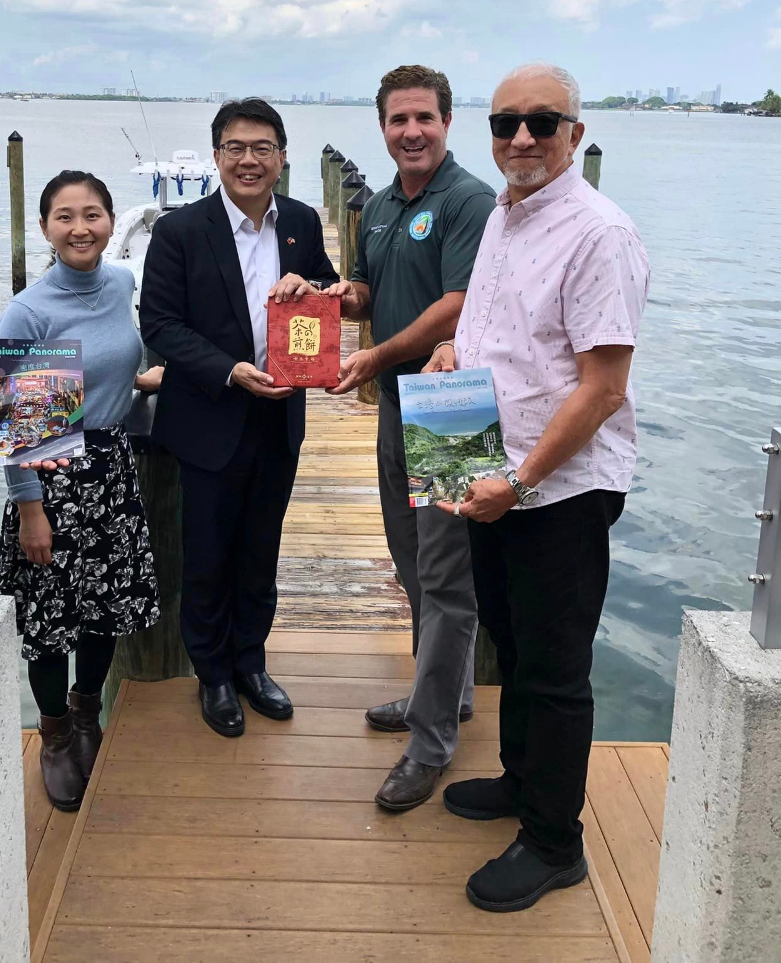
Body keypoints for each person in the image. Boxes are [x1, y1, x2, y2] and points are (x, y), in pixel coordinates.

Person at [431, 62, 649, 913]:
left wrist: (518, 482)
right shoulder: (504, 211)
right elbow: (503, 331)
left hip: (554, 493)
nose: (521, 137)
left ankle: (557, 843)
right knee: (514, 647)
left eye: (542, 123)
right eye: (506, 122)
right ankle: (524, 783)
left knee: (556, 671)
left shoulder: (600, 233)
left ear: (575, 135)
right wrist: (456, 352)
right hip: (491, 475)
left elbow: (602, 387)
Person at [138, 99, 338, 738]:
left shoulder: (302, 223)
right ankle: (213, 674)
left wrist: (312, 292)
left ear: (282, 156)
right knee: (206, 553)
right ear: (218, 155)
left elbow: (329, 295)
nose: (249, 160)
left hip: (279, 418)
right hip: (209, 416)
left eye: (262, 148)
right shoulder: (180, 231)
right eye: (235, 148)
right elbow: (161, 325)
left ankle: (251, 661)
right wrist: (229, 369)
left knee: (260, 549)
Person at [325, 65, 495, 811]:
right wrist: (337, 297)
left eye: (423, 117)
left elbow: (456, 307)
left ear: (447, 123)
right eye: (398, 120)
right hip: (396, 405)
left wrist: (375, 353)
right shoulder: (387, 204)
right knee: (409, 560)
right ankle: (445, 693)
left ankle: (430, 744)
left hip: (455, 405)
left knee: (448, 579)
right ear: (384, 128)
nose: (411, 132)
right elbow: (366, 289)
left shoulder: (470, 202)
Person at [0, 170, 161, 811]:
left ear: (111, 222)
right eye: (64, 216)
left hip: (112, 464)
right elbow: (17, 428)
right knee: (49, 618)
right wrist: (29, 507)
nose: (80, 227)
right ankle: (57, 732)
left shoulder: (120, 283)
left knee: (106, 605)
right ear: (45, 229)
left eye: (92, 214)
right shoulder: (31, 309)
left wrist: (145, 382)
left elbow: (117, 364)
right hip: (51, 471)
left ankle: (88, 711)